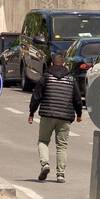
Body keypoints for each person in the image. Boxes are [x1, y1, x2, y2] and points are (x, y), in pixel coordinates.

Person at [28, 49, 84, 183]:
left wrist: (31, 112)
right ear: (64, 63)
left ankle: (45, 164)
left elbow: (36, 96)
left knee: (43, 141)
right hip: (65, 116)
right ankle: (60, 174)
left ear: (52, 63)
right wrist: (79, 114)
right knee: (62, 146)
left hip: (47, 114)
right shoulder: (71, 79)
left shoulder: (46, 77)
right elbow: (77, 98)